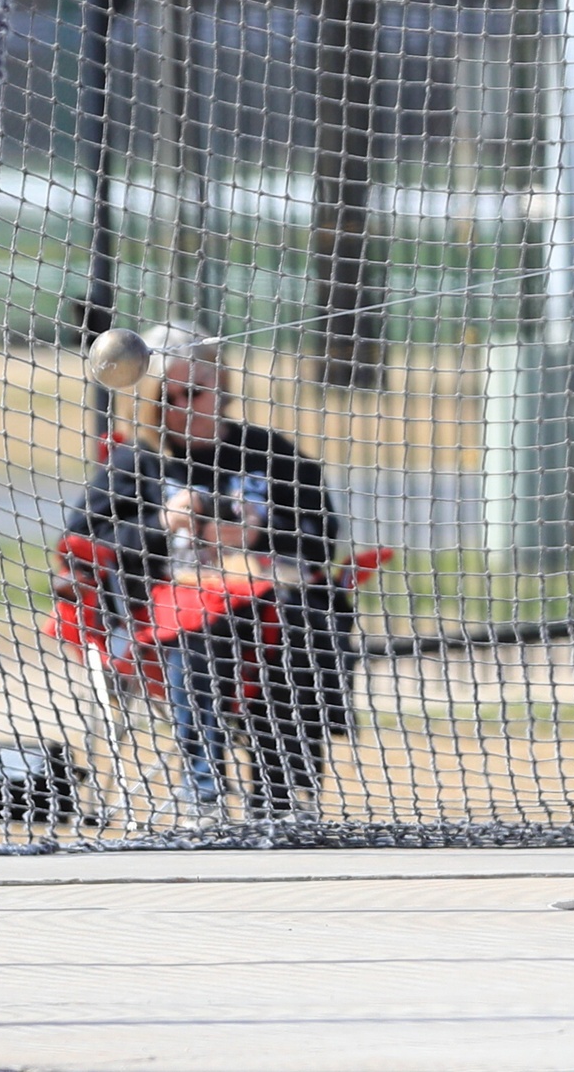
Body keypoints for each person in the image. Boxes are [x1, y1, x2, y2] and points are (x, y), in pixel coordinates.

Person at [54, 322, 353, 822]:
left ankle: (283, 792)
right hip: (171, 609)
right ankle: (205, 789)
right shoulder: (138, 462)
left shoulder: (269, 453)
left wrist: (257, 533)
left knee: (296, 617)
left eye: (195, 392)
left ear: (222, 387)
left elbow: (322, 533)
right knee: (203, 625)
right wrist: (161, 523)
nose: (183, 407)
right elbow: (84, 543)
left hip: (268, 597)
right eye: (168, 397)